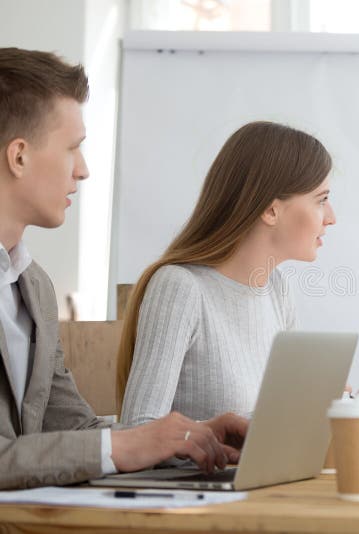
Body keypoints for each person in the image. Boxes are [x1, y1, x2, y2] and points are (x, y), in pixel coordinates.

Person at [0, 47, 247, 489]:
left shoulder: (32, 286)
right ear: (18, 156)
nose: (84, 170)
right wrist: (128, 446)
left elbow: (73, 433)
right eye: (73, 148)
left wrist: (184, 437)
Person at [118, 121, 336, 425]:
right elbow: (136, 431)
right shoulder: (180, 287)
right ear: (271, 210)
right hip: (205, 475)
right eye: (322, 200)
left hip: (263, 473)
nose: (331, 218)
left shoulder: (277, 289)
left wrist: (348, 419)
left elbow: (285, 419)